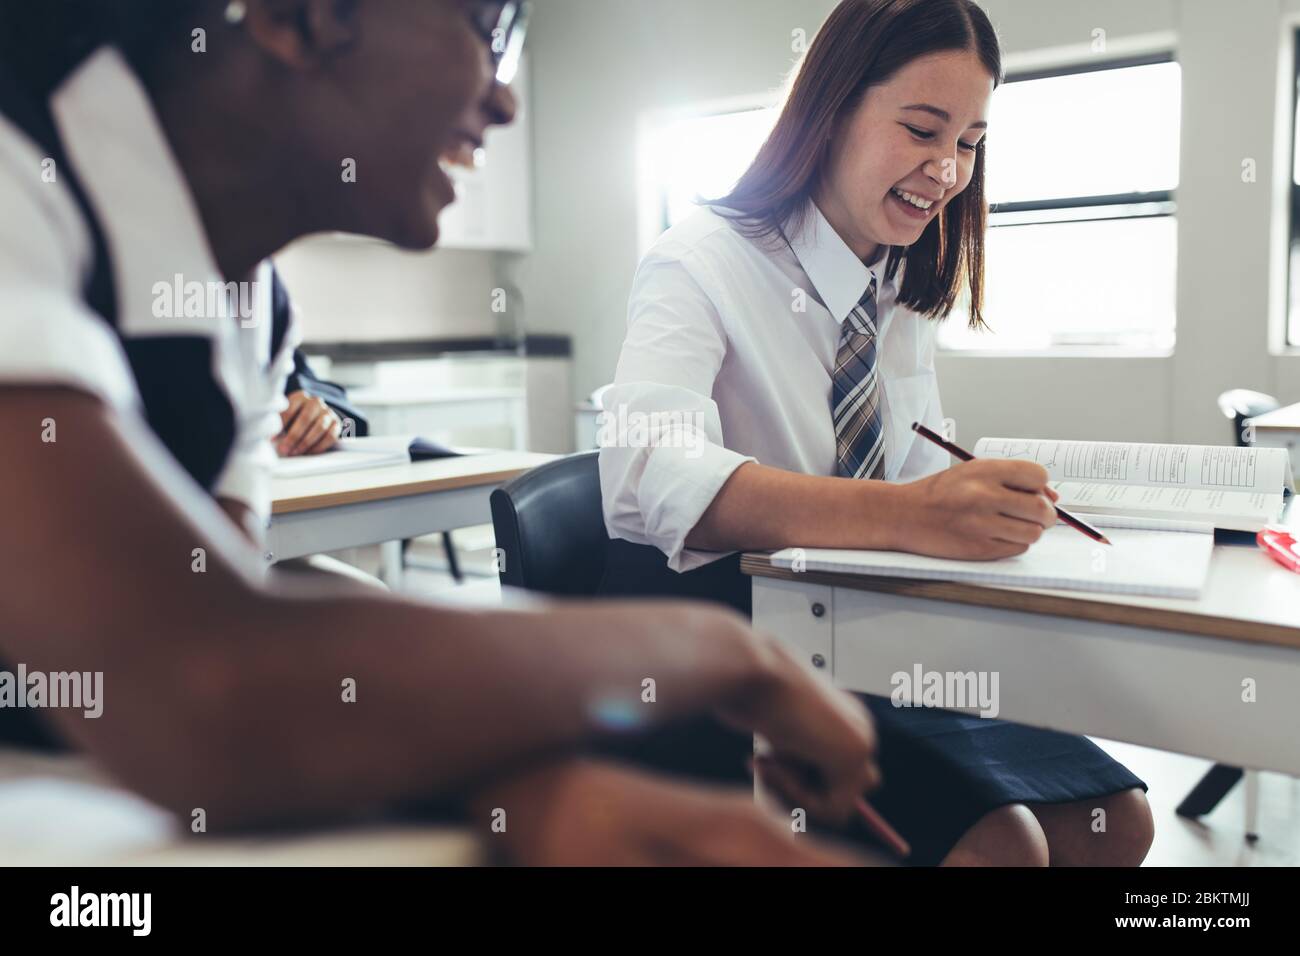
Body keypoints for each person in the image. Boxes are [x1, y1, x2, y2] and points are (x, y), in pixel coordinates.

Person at [0, 0, 878, 866]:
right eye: (487, 30)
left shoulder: (250, 309)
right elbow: (197, 684)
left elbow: (230, 620)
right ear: (297, 18)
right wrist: (723, 654)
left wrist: (513, 790)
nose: (505, 101)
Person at [598, 0, 1154, 866]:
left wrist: (970, 507)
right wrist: (910, 514)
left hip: (889, 637)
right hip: (768, 651)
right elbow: (641, 470)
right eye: (923, 130)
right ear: (832, 109)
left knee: (1116, 822)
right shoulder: (698, 260)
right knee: (1007, 849)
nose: (947, 169)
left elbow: (916, 459)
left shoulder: (899, 285)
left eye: (969, 142)